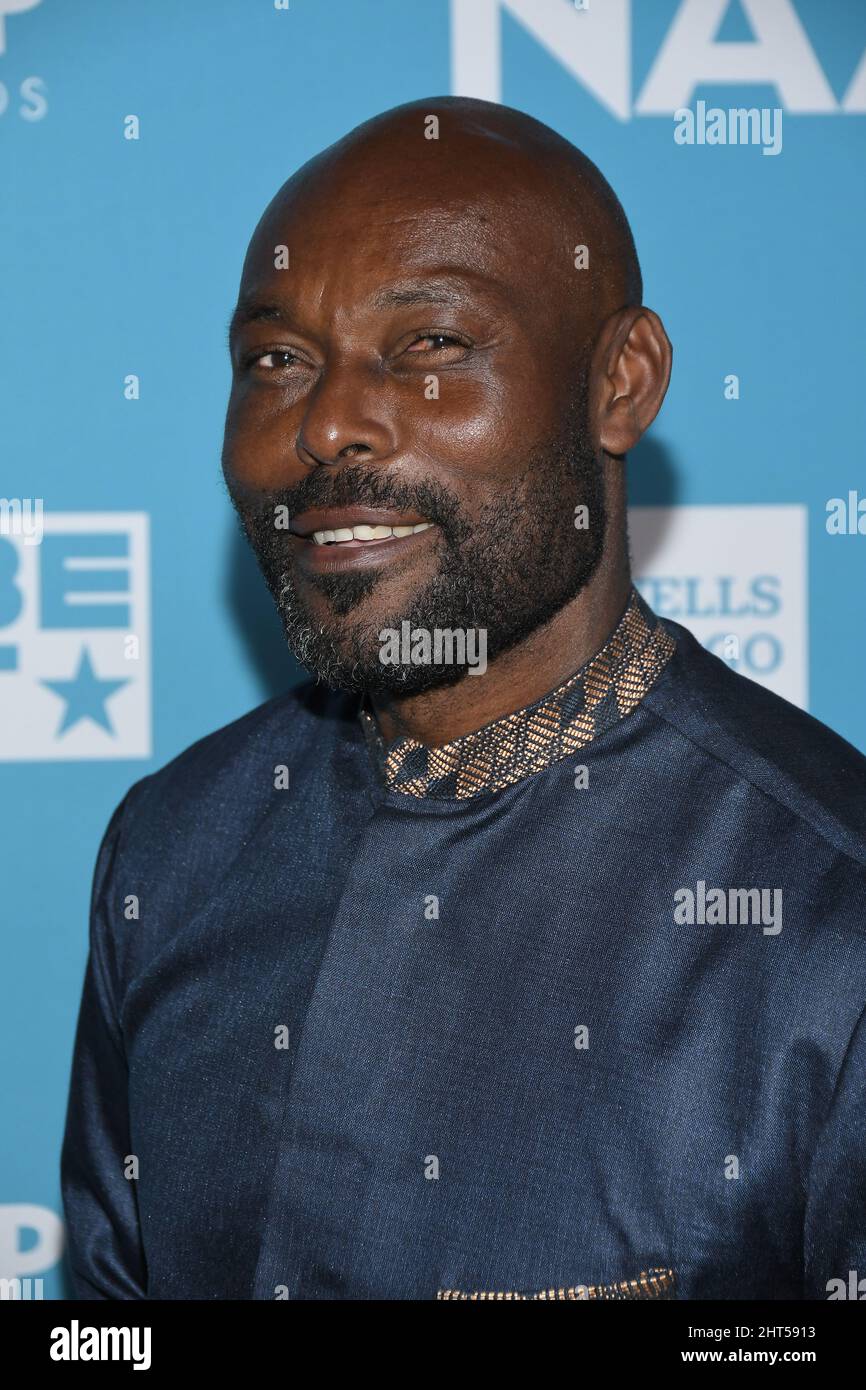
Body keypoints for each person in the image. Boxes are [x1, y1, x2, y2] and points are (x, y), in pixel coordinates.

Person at [61, 96, 866, 1301]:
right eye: (274, 359)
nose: (327, 421)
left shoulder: (827, 913)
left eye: (430, 344)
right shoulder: (171, 851)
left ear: (620, 381)